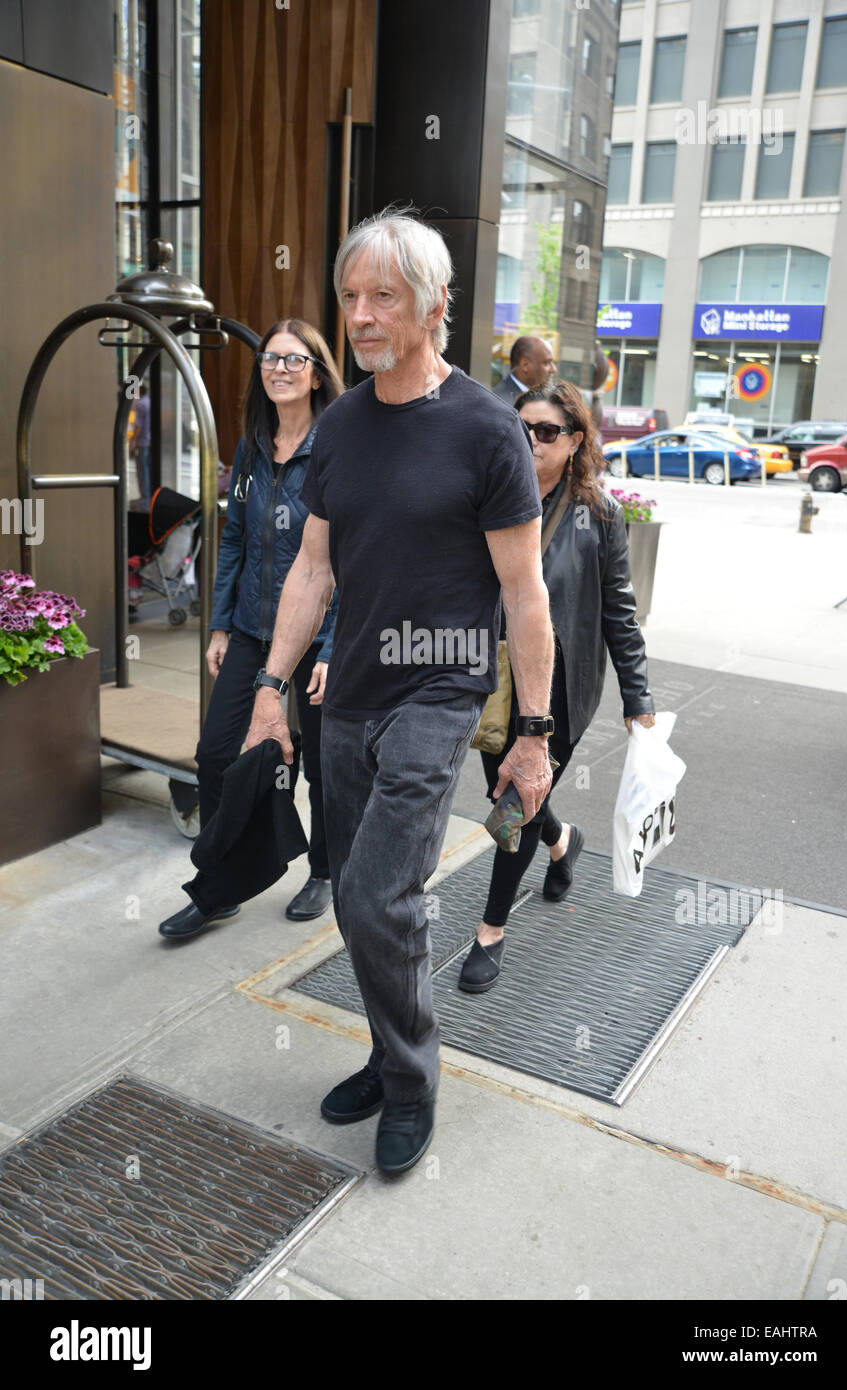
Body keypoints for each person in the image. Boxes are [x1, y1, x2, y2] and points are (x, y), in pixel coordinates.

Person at [244, 208, 555, 1175]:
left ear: (432, 307)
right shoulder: (339, 426)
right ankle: (388, 1050)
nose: (361, 315)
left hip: (441, 690)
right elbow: (311, 570)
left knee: (381, 893)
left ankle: (412, 1082)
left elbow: (523, 589)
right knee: (356, 902)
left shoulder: (486, 431)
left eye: (383, 296)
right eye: (349, 295)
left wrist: (533, 735)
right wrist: (270, 687)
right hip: (352, 695)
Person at [459, 378, 656, 994]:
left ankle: (490, 931)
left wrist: (638, 699)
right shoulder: (488, 496)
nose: (532, 443)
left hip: (561, 688)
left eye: (547, 432)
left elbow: (619, 612)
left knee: (514, 805)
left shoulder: (599, 514)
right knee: (510, 792)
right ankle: (564, 839)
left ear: (575, 441)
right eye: (521, 430)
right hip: (491, 678)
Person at [158, 319, 344, 940]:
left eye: (294, 361)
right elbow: (233, 539)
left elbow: (350, 555)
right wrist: (218, 626)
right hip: (251, 628)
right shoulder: (252, 445)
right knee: (215, 754)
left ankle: (322, 871)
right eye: (270, 359)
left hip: (316, 637)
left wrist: (337, 641)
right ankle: (224, 883)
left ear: (317, 372)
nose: (280, 370)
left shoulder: (337, 447)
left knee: (317, 763)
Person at [492, 335, 556, 403]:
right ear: (525, 365)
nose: (554, 369)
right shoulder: (503, 402)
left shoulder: (536, 395)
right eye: (547, 362)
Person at [131, 380, 151, 506]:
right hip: (149, 441)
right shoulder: (149, 402)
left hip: (142, 442)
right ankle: (148, 495)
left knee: (142, 470)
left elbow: (138, 426)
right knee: (147, 468)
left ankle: (145, 496)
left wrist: (133, 441)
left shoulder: (140, 405)